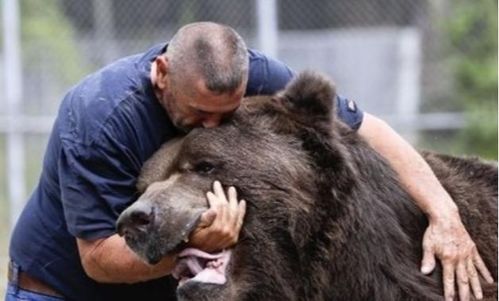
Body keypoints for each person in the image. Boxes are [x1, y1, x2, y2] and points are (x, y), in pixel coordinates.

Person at [7, 22, 492, 301]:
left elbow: (366, 127)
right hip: (60, 290)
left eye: (227, 114)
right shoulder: (99, 116)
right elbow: (96, 260)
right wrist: (193, 244)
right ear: (161, 74)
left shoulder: (249, 75)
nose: (214, 125)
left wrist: (445, 214)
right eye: (199, 114)